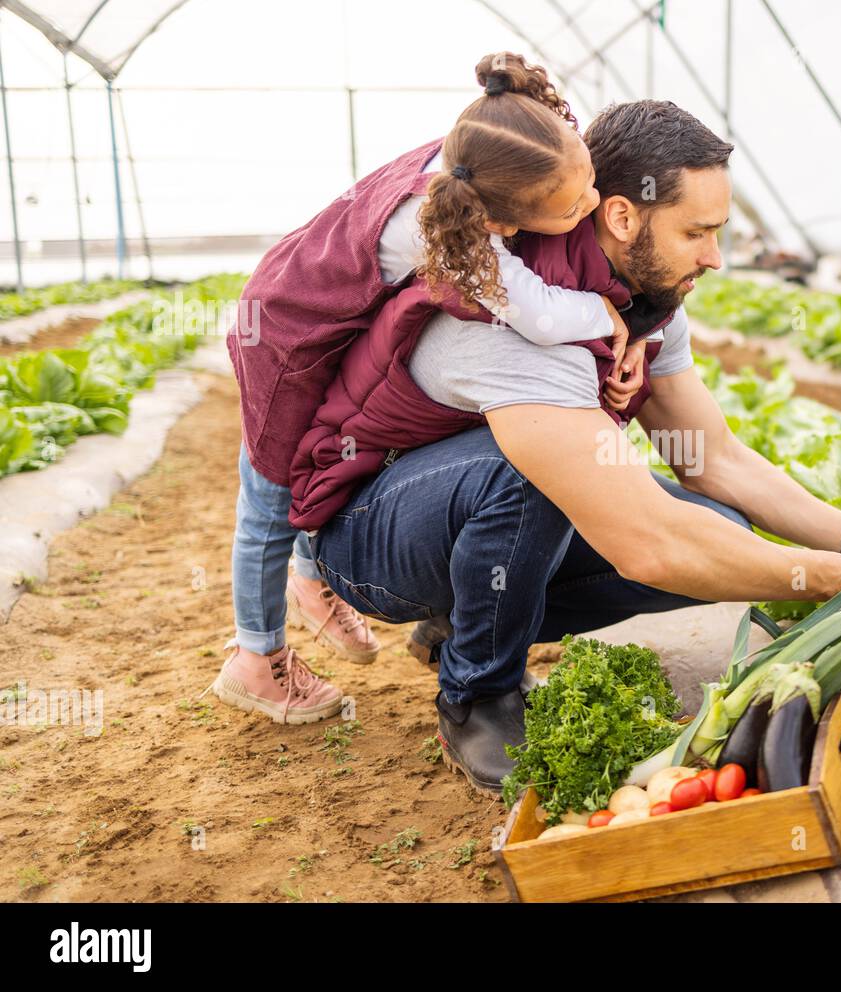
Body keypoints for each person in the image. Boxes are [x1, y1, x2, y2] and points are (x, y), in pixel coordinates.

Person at [306, 99, 841, 793]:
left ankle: (465, 618)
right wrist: (822, 577)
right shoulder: (519, 319)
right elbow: (646, 541)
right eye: (697, 232)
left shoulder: (645, 297)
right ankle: (477, 696)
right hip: (370, 535)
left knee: (724, 531)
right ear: (621, 216)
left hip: (460, 508)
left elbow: (710, 458)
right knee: (531, 482)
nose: (717, 258)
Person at [215, 53, 643, 725]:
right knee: (269, 489)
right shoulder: (448, 231)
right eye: (573, 207)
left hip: (330, 311)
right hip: (281, 333)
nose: (590, 202)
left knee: (323, 447)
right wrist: (609, 314)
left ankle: (310, 579)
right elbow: (532, 310)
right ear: (501, 224)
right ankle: (256, 659)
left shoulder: (505, 145)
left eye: (588, 182)